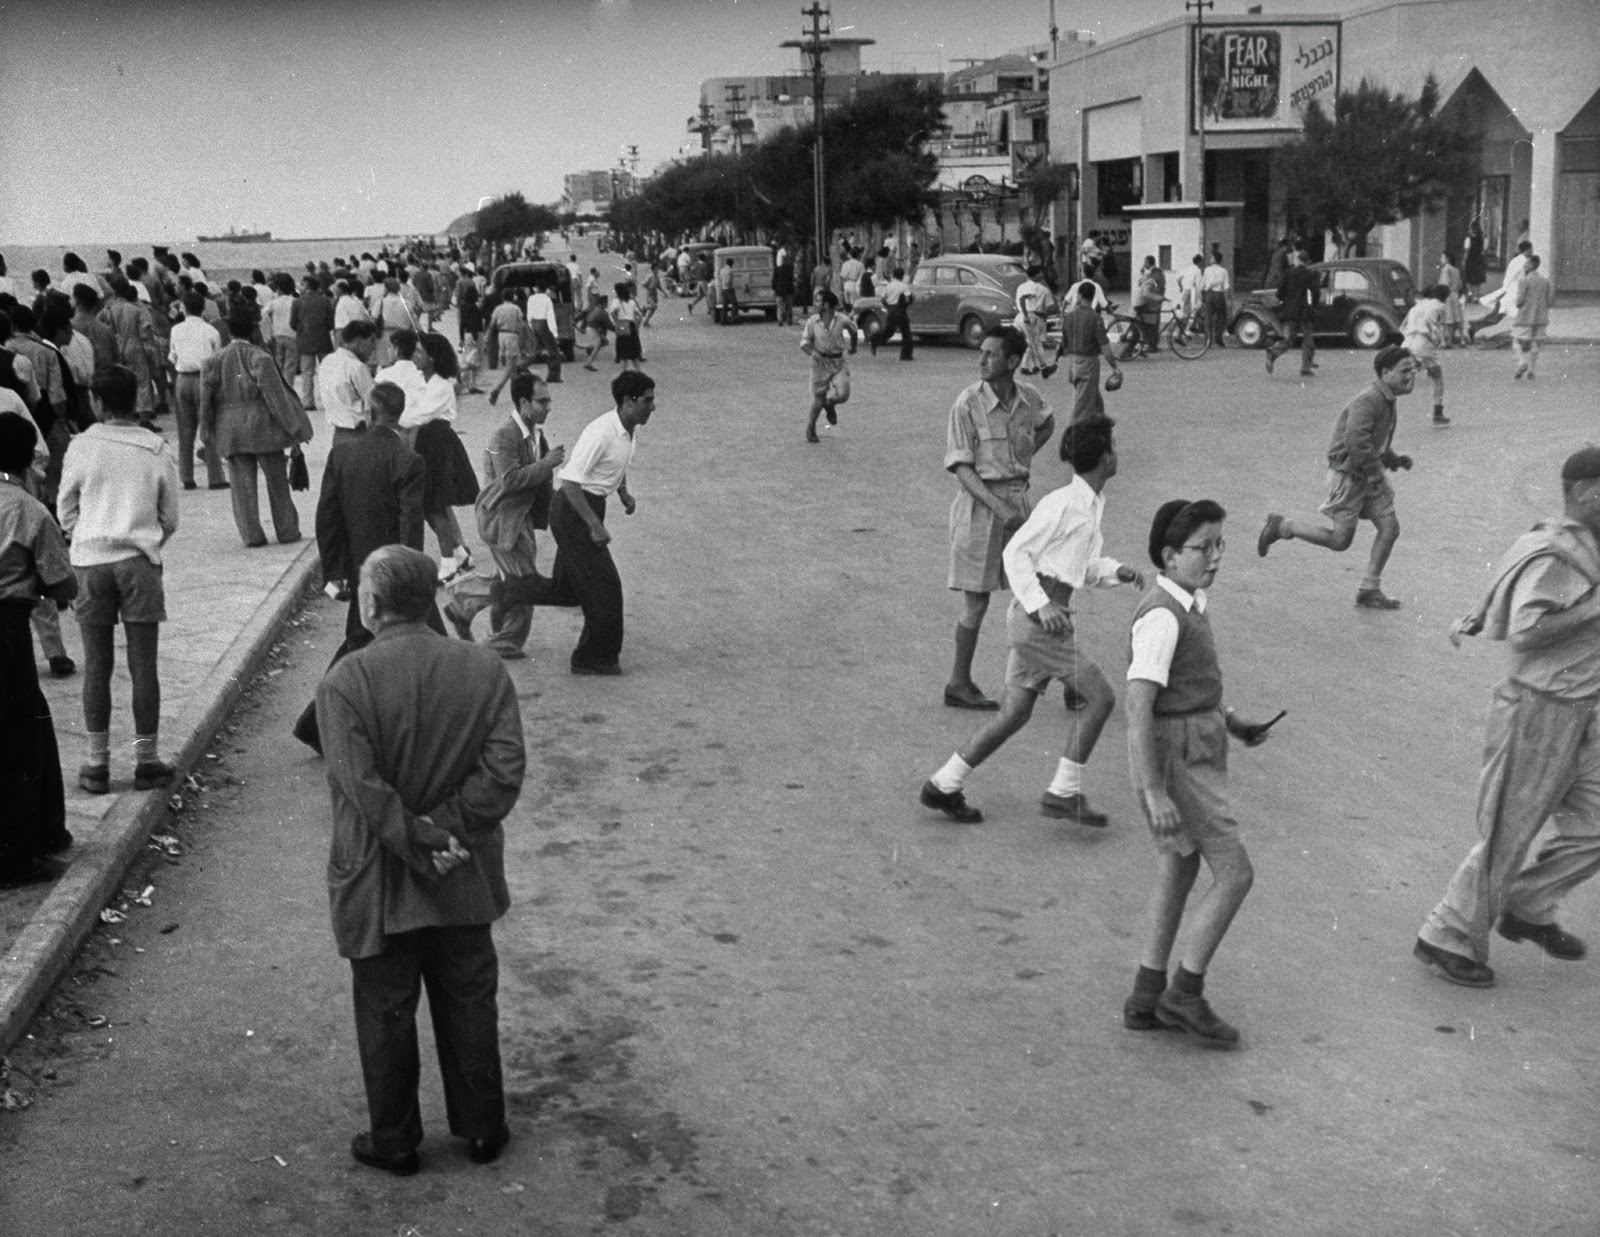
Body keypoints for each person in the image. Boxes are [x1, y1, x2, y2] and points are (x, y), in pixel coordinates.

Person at [316, 545, 524, 1177]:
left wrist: (418, 838)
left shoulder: (346, 682)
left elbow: (363, 790)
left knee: (385, 1010)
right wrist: (448, 834)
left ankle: (396, 1139)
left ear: (372, 605)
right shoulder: (483, 668)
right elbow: (504, 770)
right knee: (469, 998)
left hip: (381, 880)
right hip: (464, 873)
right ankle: (483, 1127)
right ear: (429, 597)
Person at [1416, 447, 1600, 989]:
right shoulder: (1556, 553)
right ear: (1586, 493)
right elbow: (1524, 632)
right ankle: (1446, 934)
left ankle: (1527, 906)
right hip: (1538, 713)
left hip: (1583, 713)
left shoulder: (1588, 546)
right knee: (1507, 832)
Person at [921, 416, 1142, 825]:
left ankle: (943, 784)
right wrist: (1041, 605)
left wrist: (1116, 571)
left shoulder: (1089, 505)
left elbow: (1075, 567)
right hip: (1039, 624)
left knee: (1014, 714)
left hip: (1040, 620)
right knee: (1101, 698)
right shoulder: (1063, 504)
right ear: (1102, 458)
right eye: (1113, 446)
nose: (1118, 452)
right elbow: (1015, 552)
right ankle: (1064, 791)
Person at [1122, 498, 1273, 1046]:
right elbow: (1139, 707)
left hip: (1193, 745)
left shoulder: (1189, 604)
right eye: (1202, 547)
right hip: (1180, 760)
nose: (1215, 557)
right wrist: (1154, 790)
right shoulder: (1163, 616)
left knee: (1180, 867)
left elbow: (1187, 687)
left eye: (1219, 545)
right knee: (1235, 874)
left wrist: (1230, 720)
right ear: (1169, 555)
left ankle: (1146, 993)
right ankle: (1184, 993)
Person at [57, 366, 180, 795]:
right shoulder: (155, 448)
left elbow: (65, 508)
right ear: (137, 398)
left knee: (97, 665)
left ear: (96, 402)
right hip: (138, 562)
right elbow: (170, 516)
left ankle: (97, 764)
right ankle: (146, 759)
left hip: (90, 563)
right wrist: (147, 540)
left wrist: (86, 535)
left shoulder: (81, 446)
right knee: (144, 666)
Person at [497, 370, 656, 675]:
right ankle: (593, 658)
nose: (653, 406)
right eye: (647, 401)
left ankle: (508, 591)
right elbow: (569, 482)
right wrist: (594, 525)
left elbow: (615, 463)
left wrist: (623, 492)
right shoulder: (602, 432)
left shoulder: (628, 429)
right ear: (628, 401)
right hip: (574, 510)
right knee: (606, 587)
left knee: (567, 590)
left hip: (587, 507)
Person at [941, 325, 1056, 710]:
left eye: (991, 354)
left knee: (1039, 590)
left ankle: (1050, 674)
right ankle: (958, 683)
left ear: (1012, 361)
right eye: (982, 353)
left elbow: (1047, 423)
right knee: (976, 603)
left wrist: (1021, 460)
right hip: (980, 508)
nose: (982, 360)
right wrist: (997, 505)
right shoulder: (967, 403)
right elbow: (962, 468)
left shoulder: (1029, 398)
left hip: (1017, 505)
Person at [1256, 346, 1419, 611]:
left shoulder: (1386, 400)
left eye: (1413, 370)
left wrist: (1394, 460)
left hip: (1367, 474)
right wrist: (1376, 474)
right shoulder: (1368, 401)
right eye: (1405, 371)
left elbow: (1373, 443)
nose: (1411, 376)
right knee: (1340, 541)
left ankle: (1369, 588)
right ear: (1385, 372)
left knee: (1390, 528)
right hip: (1349, 477)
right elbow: (1356, 442)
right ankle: (1283, 527)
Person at [0, 412, 78, 884]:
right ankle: (18, 854)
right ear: (29, 458)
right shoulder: (28, 510)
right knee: (19, 737)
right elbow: (62, 582)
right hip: (7, 631)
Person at [442, 371, 566, 657]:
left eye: (548, 401)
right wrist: (546, 464)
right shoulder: (504, 435)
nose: (548, 407)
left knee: (509, 580)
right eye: (542, 401)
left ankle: (463, 604)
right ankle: (505, 642)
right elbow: (509, 480)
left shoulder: (534, 432)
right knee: (524, 582)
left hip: (519, 518)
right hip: (502, 519)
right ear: (523, 403)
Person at [201, 309, 314, 547]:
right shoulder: (260, 358)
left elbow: (206, 401)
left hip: (230, 428)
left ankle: (251, 535)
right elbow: (276, 398)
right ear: (253, 331)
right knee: (277, 481)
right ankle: (287, 530)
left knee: (241, 487)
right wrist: (293, 428)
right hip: (263, 426)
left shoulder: (213, 361)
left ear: (229, 331)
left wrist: (207, 430)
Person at [400, 333, 478, 581]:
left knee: (435, 506)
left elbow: (417, 416)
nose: (414, 355)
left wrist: (391, 417)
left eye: (419, 352)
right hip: (425, 441)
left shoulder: (441, 386)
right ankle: (459, 554)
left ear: (432, 358)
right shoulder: (420, 380)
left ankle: (448, 564)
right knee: (428, 504)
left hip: (438, 444)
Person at [167, 291, 227, 490]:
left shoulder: (176, 329)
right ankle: (215, 477)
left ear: (183, 308)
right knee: (208, 428)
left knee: (185, 430)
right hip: (204, 378)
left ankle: (186, 477)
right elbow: (217, 358)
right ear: (203, 309)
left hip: (182, 379)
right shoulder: (211, 330)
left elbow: (173, 357)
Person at [1057, 281, 1122, 424]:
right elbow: (1105, 348)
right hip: (1089, 363)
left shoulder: (1069, 317)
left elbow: (1064, 345)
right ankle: (1074, 432)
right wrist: (1115, 367)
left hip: (1073, 362)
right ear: (1093, 298)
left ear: (1079, 296)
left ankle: (1101, 421)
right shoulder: (1095, 318)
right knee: (1081, 406)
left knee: (1091, 395)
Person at [799, 290, 857, 444]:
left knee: (843, 394)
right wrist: (813, 353)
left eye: (818, 301)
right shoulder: (813, 322)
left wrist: (854, 346)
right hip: (820, 365)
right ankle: (811, 428)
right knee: (818, 400)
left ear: (827, 304)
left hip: (838, 362)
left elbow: (854, 330)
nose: (815, 304)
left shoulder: (842, 319)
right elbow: (804, 343)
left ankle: (830, 403)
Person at [317, 321, 378, 445]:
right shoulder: (356, 367)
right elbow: (373, 403)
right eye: (371, 341)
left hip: (338, 434)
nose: (374, 347)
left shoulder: (327, 361)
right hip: (358, 433)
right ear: (358, 341)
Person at [1263, 249, 1320, 378]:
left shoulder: (1288, 273)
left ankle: (1273, 352)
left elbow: (1280, 292)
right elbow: (1316, 293)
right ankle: (1306, 367)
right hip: (1305, 311)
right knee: (1308, 340)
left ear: (1297, 260)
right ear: (1307, 262)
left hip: (1290, 311)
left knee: (1289, 339)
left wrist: (1286, 300)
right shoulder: (1312, 274)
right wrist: (1313, 306)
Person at [1400, 284, 1450, 424]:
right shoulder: (1439, 307)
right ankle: (1438, 412)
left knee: (1403, 376)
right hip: (1424, 345)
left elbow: (1402, 327)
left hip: (1407, 344)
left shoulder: (1416, 307)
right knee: (1438, 378)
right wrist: (1436, 338)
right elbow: (1431, 324)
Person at [1467, 239, 1532, 341]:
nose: (1532, 251)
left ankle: (1475, 326)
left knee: (1497, 317)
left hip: (1512, 293)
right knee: (1498, 317)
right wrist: (1503, 291)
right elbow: (1510, 277)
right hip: (1512, 294)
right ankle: (1475, 326)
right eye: (1531, 249)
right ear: (1527, 249)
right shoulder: (1521, 261)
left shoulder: (1519, 260)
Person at [292, 274, 336, 410]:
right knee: (327, 371)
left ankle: (308, 401)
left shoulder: (298, 302)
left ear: (307, 285)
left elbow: (292, 323)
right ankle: (330, 400)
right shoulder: (325, 301)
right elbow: (330, 322)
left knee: (307, 373)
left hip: (305, 339)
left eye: (302, 284)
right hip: (323, 339)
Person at [1511, 254, 1552, 381]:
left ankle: (1522, 362)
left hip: (1525, 316)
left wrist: (1518, 305)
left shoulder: (1524, 280)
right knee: (1535, 344)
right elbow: (1549, 300)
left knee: (1516, 340)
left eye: (1526, 264)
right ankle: (1531, 370)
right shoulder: (1545, 281)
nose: (1524, 266)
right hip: (1540, 317)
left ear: (1531, 265)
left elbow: (1519, 300)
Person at [1013, 265, 1057, 376]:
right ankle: (1043, 367)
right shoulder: (1036, 288)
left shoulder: (1021, 286)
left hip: (1020, 316)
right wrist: (1026, 315)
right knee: (1036, 343)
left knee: (1031, 343)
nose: (1041, 275)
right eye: (1040, 273)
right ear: (1036, 274)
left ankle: (1026, 366)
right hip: (1030, 316)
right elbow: (1023, 298)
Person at [872, 266, 914, 361]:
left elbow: (883, 299)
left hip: (891, 310)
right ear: (902, 276)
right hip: (900, 310)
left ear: (893, 275)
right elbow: (908, 298)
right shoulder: (904, 286)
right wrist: (906, 304)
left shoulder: (889, 286)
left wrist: (889, 306)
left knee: (888, 332)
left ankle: (875, 339)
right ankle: (906, 355)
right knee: (906, 333)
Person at [524, 283, 563, 382]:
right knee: (553, 351)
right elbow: (550, 316)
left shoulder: (531, 298)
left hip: (534, 324)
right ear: (545, 289)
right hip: (543, 324)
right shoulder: (547, 299)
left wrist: (530, 326)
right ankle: (553, 376)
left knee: (535, 350)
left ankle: (521, 366)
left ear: (536, 288)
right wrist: (554, 333)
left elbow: (529, 314)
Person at [1132, 256, 1165, 352]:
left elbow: (1140, 284)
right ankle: (1153, 344)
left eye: (1145, 262)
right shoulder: (1160, 272)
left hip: (1150, 302)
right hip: (1157, 300)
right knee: (1154, 323)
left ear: (1148, 262)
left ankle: (1147, 344)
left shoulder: (1150, 273)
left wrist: (1142, 273)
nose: (1144, 264)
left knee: (1146, 323)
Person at [1200, 251, 1231, 347]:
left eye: (1211, 258)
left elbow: (1203, 284)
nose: (1210, 259)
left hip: (1209, 294)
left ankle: (1208, 341)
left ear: (1214, 259)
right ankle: (1218, 338)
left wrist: (1202, 295)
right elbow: (1226, 286)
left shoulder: (1207, 270)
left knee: (1208, 318)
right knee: (1221, 317)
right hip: (1219, 295)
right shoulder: (1223, 271)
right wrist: (1228, 299)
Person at [610, 282, 643, 372]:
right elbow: (640, 315)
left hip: (622, 327)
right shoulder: (632, 302)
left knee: (623, 356)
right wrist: (637, 325)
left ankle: (624, 373)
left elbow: (612, 312)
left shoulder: (616, 301)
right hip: (631, 327)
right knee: (634, 356)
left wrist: (617, 321)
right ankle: (639, 373)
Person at [1437, 252, 1465, 347]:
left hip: (1446, 295)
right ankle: (1462, 339)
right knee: (1457, 317)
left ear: (1447, 259)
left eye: (1442, 257)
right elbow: (1460, 284)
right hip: (1455, 295)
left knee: (1447, 318)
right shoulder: (1456, 270)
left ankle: (1446, 341)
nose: (1441, 259)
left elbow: (1445, 284)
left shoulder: (1445, 269)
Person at [1462, 223, 1487, 301]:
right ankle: (1477, 296)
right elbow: (1484, 251)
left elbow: (1466, 252)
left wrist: (1464, 261)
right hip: (1479, 260)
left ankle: (1472, 295)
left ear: (1472, 230)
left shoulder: (1468, 239)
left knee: (1470, 279)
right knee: (1478, 280)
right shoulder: (1483, 240)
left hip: (1471, 260)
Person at [773, 245, 796, 327]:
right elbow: (792, 279)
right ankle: (789, 319)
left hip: (779, 290)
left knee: (780, 306)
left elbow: (774, 280)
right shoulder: (790, 268)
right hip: (788, 289)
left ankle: (780, 320)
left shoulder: (777, 269)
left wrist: (774, 288)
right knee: (789, 306)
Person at [715, 258, 738, 325]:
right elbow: (728, 281)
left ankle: (723, 320)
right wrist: (729, 286)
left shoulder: (722, 270)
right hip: (729, 289)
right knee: (735, 304)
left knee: (724, 305)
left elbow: (720, 279)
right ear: (732, 263)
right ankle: (733, 319)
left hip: (723, 289)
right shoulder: (730, 271)